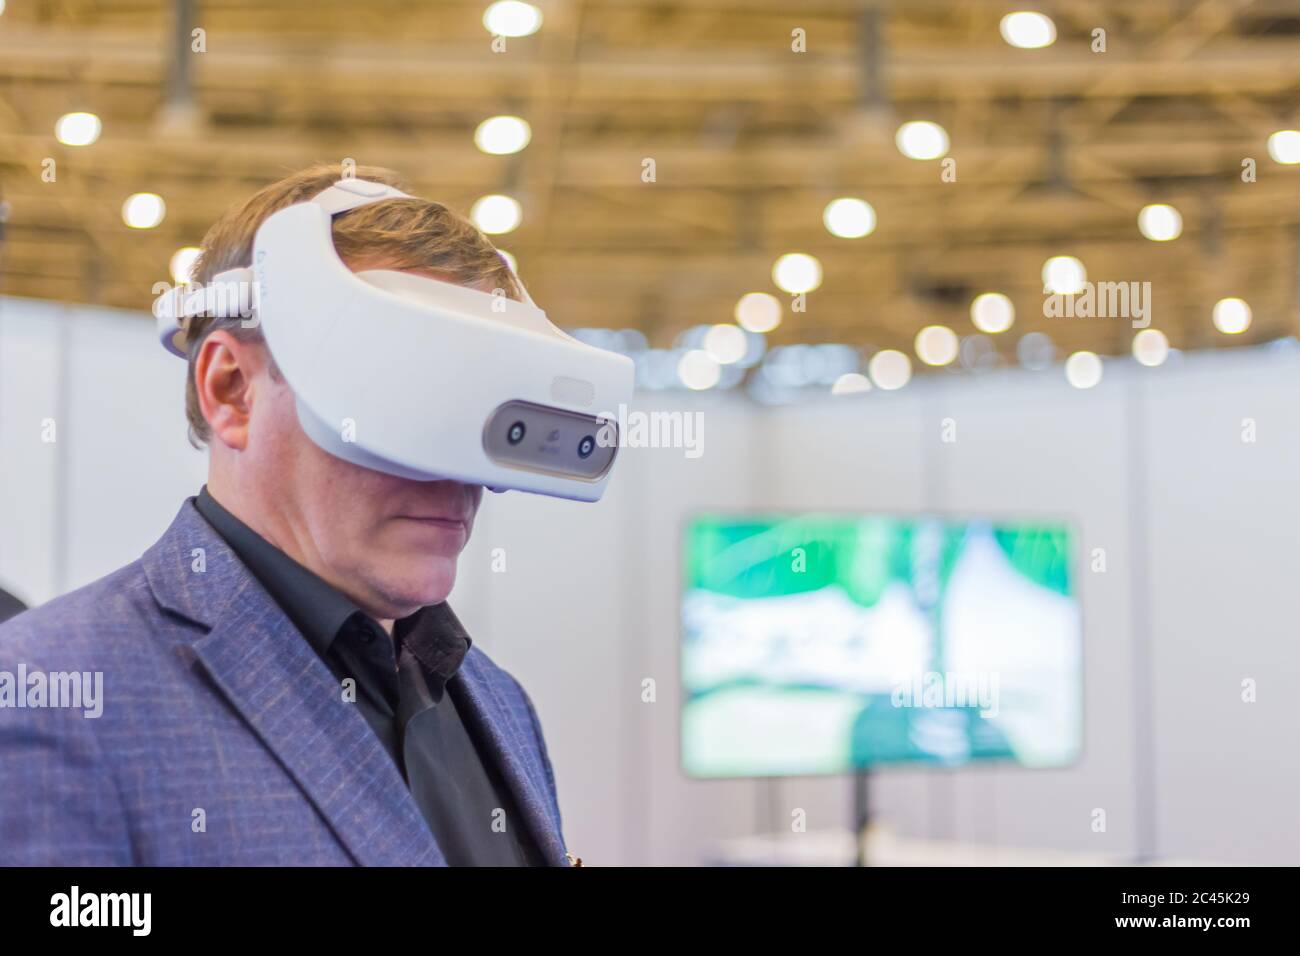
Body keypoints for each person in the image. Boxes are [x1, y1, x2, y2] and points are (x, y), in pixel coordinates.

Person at [0, 164, 569, 866]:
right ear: (231, 389)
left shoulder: (500, 705)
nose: (453, 470)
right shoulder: (48, 700)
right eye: (402, 393)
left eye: (476, 405)